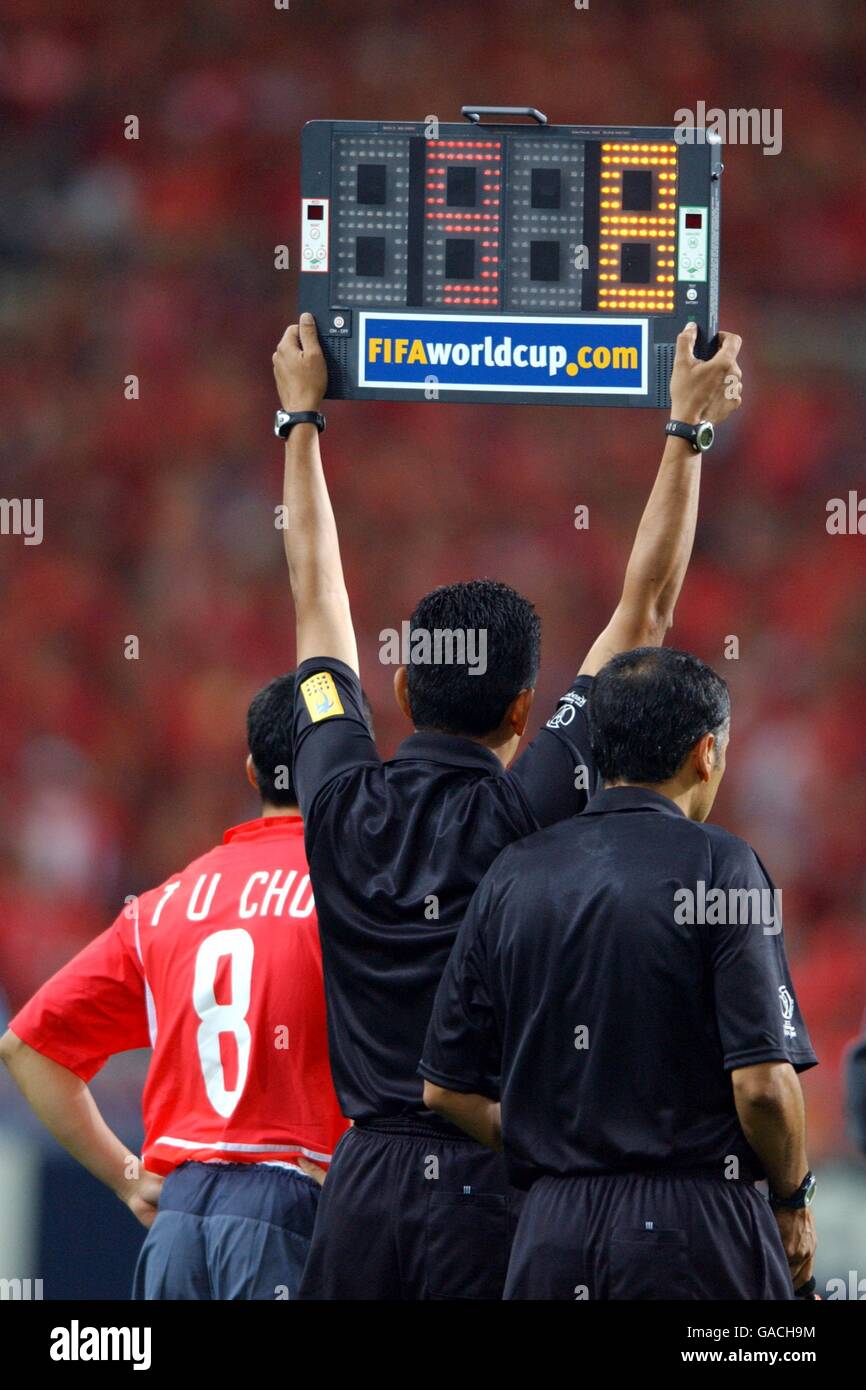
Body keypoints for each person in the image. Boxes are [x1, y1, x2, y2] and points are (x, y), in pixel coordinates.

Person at [271, 314, 744, 1300]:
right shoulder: (527, 811)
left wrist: (298, 419)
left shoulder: (336, 795)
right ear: (526, 707)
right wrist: (685, 431)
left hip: (357, 1187)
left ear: (399, 696)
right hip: (485, 1183)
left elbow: (316, 602)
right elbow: (641, 613)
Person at [421, 647, 818, 1300]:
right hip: (696, 1229)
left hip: (550, 1232)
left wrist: (549, 1146)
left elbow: (444, 1090)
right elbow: (763, 1087)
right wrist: (792, 1196)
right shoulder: (723, 867)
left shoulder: (512, 872)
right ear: (705, 753)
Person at [0, 674, 349, 1300]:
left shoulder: (167, 902)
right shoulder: (358, 893)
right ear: (350, 767)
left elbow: (27, 1048)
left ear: (251, 771)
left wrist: (128, 1176)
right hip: (291, 1202)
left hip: (180, 1217)